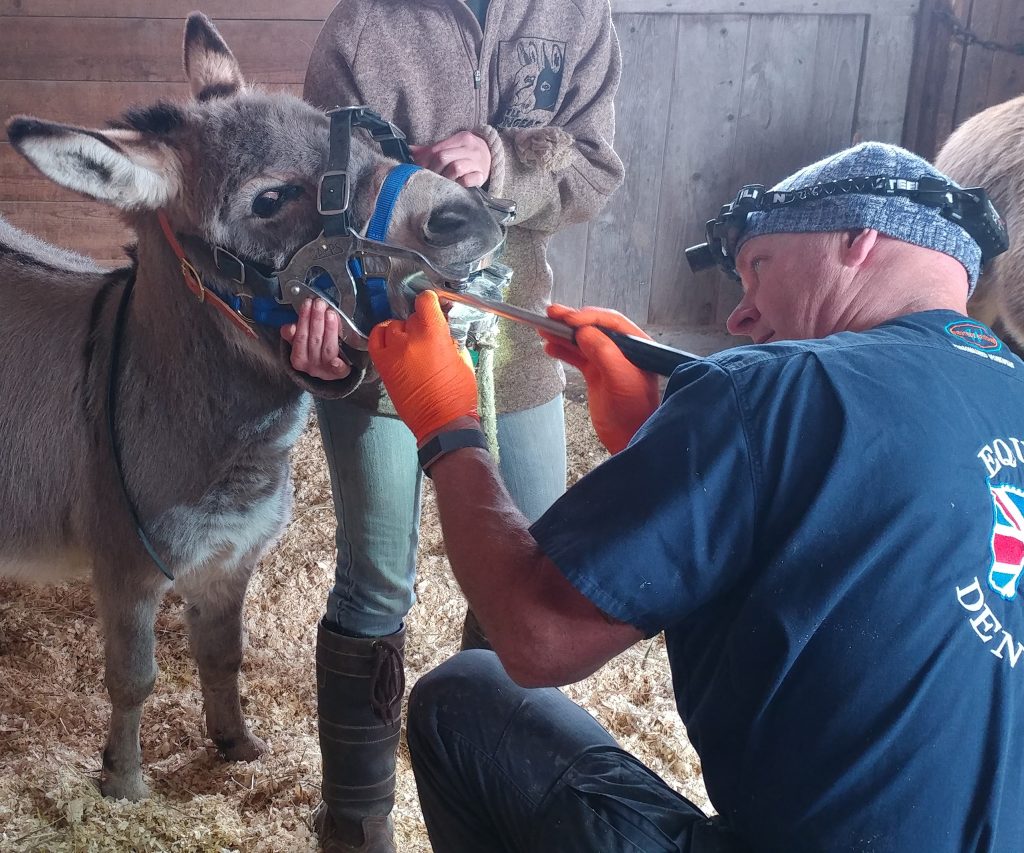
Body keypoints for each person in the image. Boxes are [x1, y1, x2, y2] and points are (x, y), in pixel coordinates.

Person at [365, 142, 1024, 852]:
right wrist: (654, 432)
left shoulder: (772, 387)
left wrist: (446, 427)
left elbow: (536, 637)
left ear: (859, 239)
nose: (739, 319)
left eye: (756, 268)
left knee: (465, 697)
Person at [286, 2, 625, 850]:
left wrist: (502, 160)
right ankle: (356, 821)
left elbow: (595, 173)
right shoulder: (363, 32)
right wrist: (324, 330)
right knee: (376, 582)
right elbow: (324, 201)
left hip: (508, 334)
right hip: (382, 339)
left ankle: (507, 801)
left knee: (537, 571)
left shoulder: (577, 17)